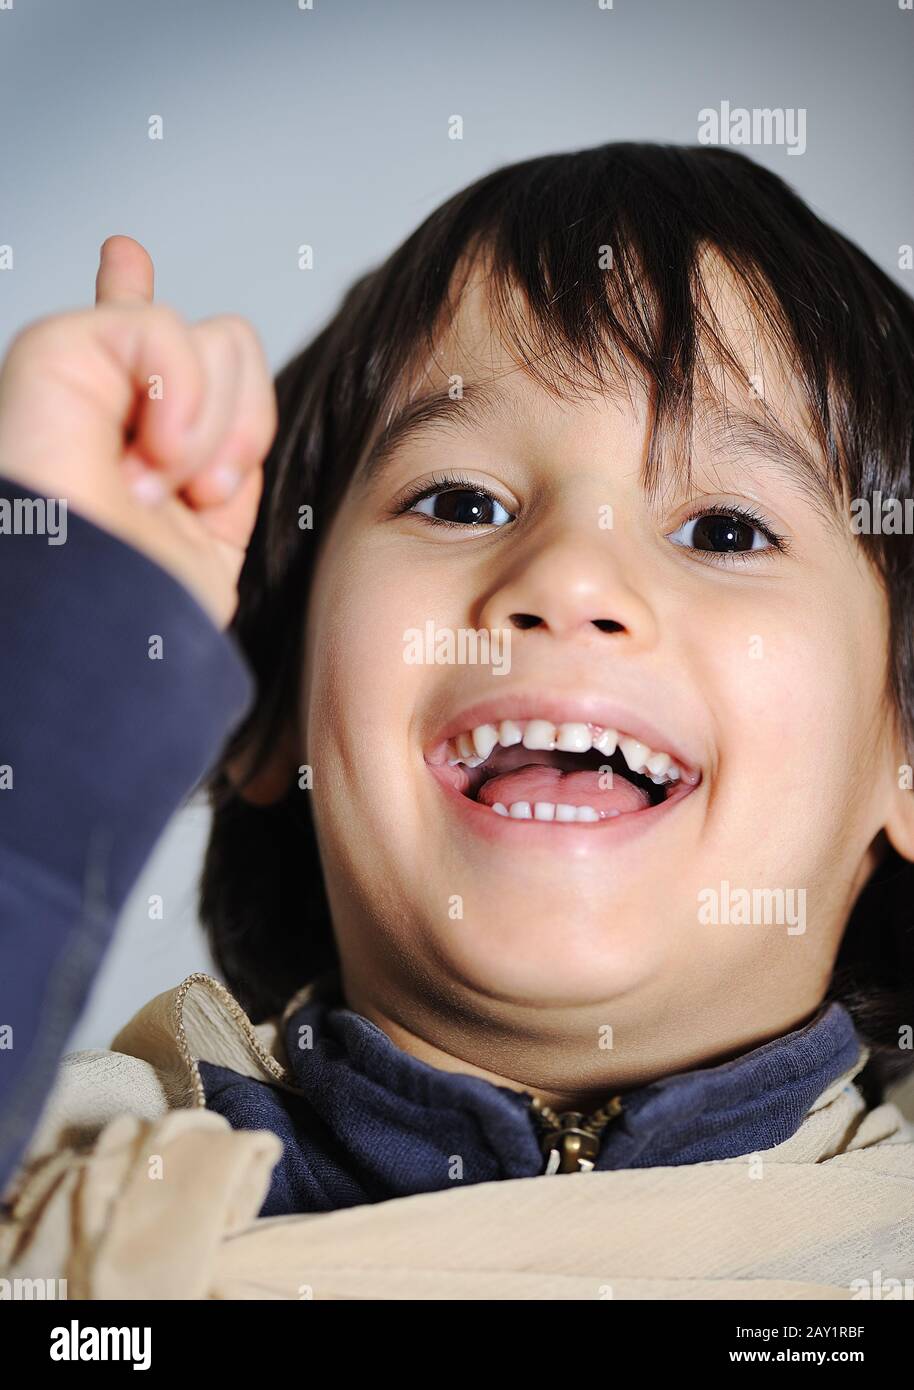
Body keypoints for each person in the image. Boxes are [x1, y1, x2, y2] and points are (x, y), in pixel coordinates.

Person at [1, 143, 913, 1300]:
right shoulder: (52, 1208)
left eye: (724, 530)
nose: (570, 577)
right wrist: (67, 647)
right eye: (459, 500)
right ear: (270, 694)